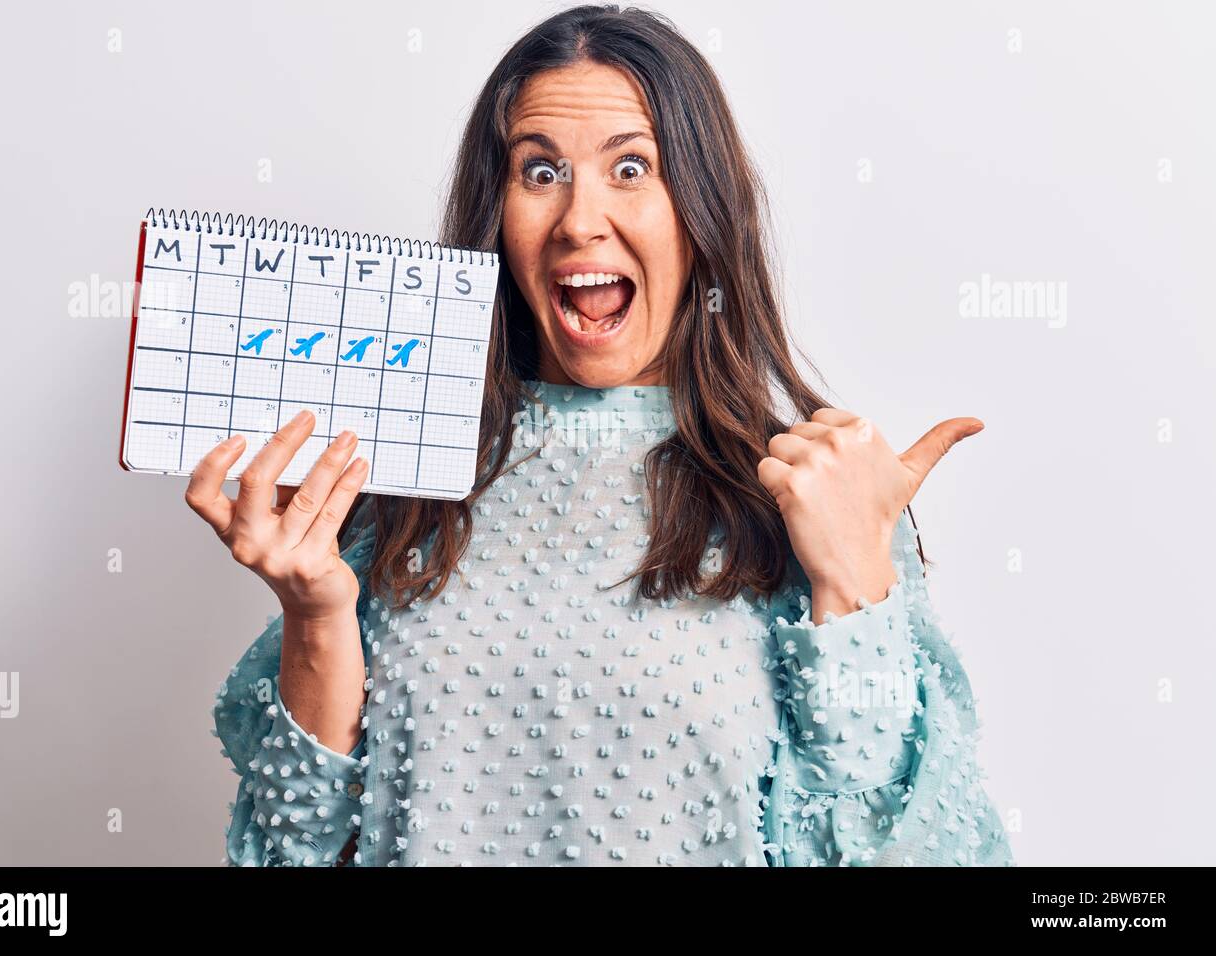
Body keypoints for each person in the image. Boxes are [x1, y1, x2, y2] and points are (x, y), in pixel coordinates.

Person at [191, 4, 1014, 867]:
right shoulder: (397, 483)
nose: (579, 219)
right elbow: (293, 855)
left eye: (631, 167)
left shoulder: (814, 498)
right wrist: (316, 616)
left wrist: (852, 588)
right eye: (540, 171)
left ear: (700, 209)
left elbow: (907, 853)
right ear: (498, 214)